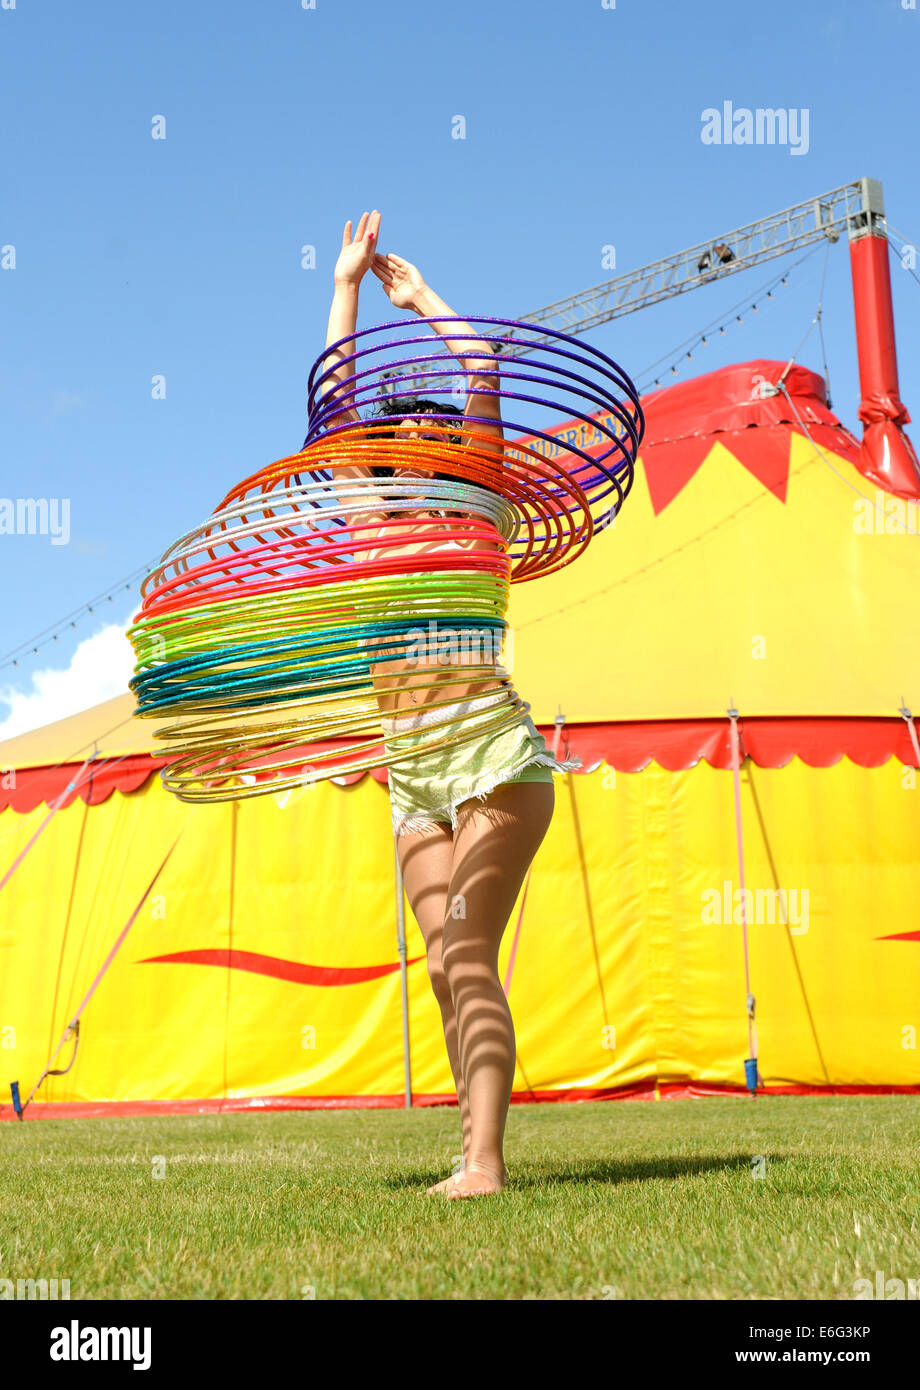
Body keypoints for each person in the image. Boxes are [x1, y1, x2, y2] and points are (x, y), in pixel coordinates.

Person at [316, 211, 576, 1199]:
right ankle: (470, 1145)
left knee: (465, 943)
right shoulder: (365, 530)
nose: (415, 453)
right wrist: (339, 286)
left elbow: (482, 372)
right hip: (412, 774)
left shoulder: (477, 517)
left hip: (492, 761)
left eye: (433, 441)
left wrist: (419, 299)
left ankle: (483, 1164)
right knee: (439, 965)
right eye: (398, 448)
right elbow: (335, 401)